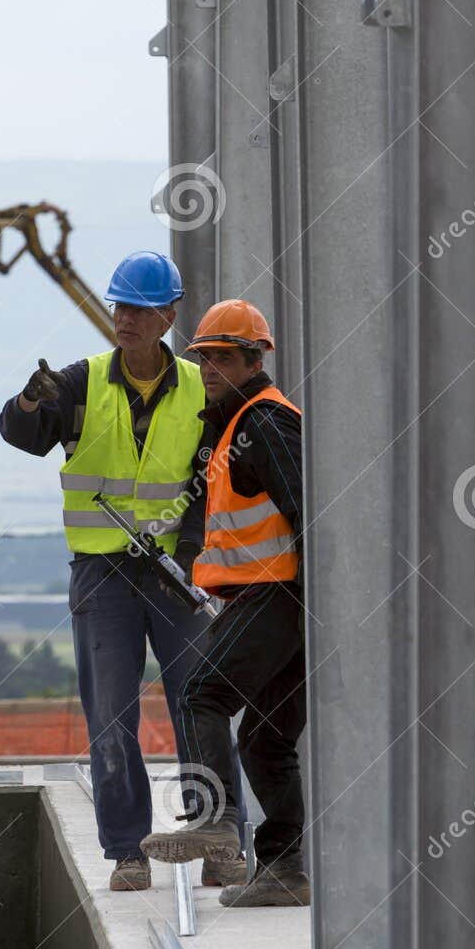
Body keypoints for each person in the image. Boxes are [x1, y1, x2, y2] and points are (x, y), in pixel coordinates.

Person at [0, 251, 243, 893]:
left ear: (168, 315)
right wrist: (29, 402)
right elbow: (22, 434)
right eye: (120, 306)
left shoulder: (198, 387)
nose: (126, 319)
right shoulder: (80, 382)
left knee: (202, 706)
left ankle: (217, 839)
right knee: (111, 715)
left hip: (177, 575)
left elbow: (214, 476)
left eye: (140, 308)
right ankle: (127, 850)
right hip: (103, 575)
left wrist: (192, 551)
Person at [141, 299, 309, 908]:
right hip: (270, 596)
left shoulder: (264, 422)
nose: (208, 368)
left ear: (252, 358)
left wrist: (308, 609)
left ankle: (217, 821)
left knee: (199, 694)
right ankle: (287, 871)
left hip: (279, 594)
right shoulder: (236, 423)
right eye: (204, 358)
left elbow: (304, 511)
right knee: (265, 740)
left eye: (220, 358)